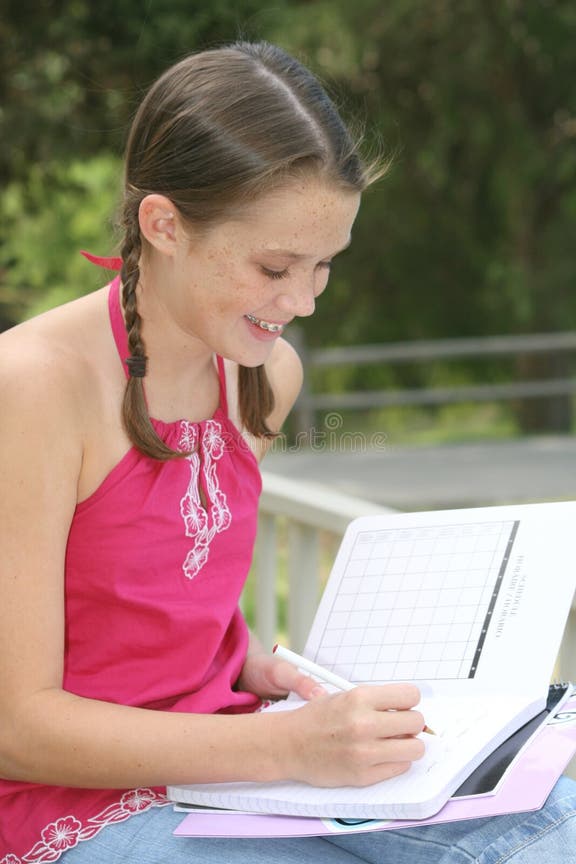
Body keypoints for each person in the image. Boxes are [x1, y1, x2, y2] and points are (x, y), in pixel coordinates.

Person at [0, 40, 574, 864]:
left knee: (554, 824)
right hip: (76, 800)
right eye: (275, 267)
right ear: (164, 224)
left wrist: (243, 667)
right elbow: (16, 727)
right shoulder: (34, 387)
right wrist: (288, 749)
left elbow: (160, 575)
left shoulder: (262, 374)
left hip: (231, 755)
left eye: (324, 268)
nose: (300, 302)